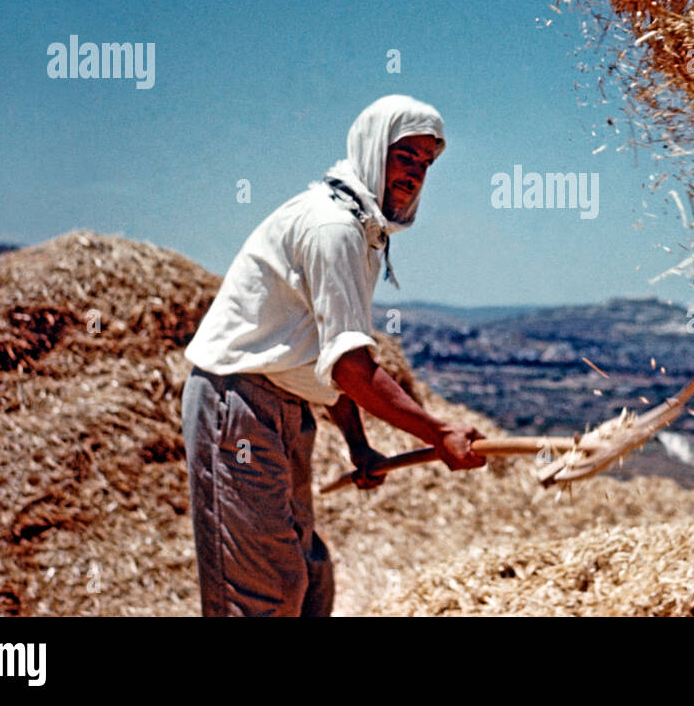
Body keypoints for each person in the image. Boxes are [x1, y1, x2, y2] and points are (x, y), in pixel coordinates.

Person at [180, 93, 486, 617]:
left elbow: (324, 353)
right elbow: (351, 367)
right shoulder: (334, 228)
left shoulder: (358, 227)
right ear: (372, 149)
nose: (414, 174)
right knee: (260, 592)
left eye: (425, 164)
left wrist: (358, 446)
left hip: (284, 408)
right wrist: (439, 435)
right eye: (404, 156)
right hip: (239, 407)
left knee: (308, 577)